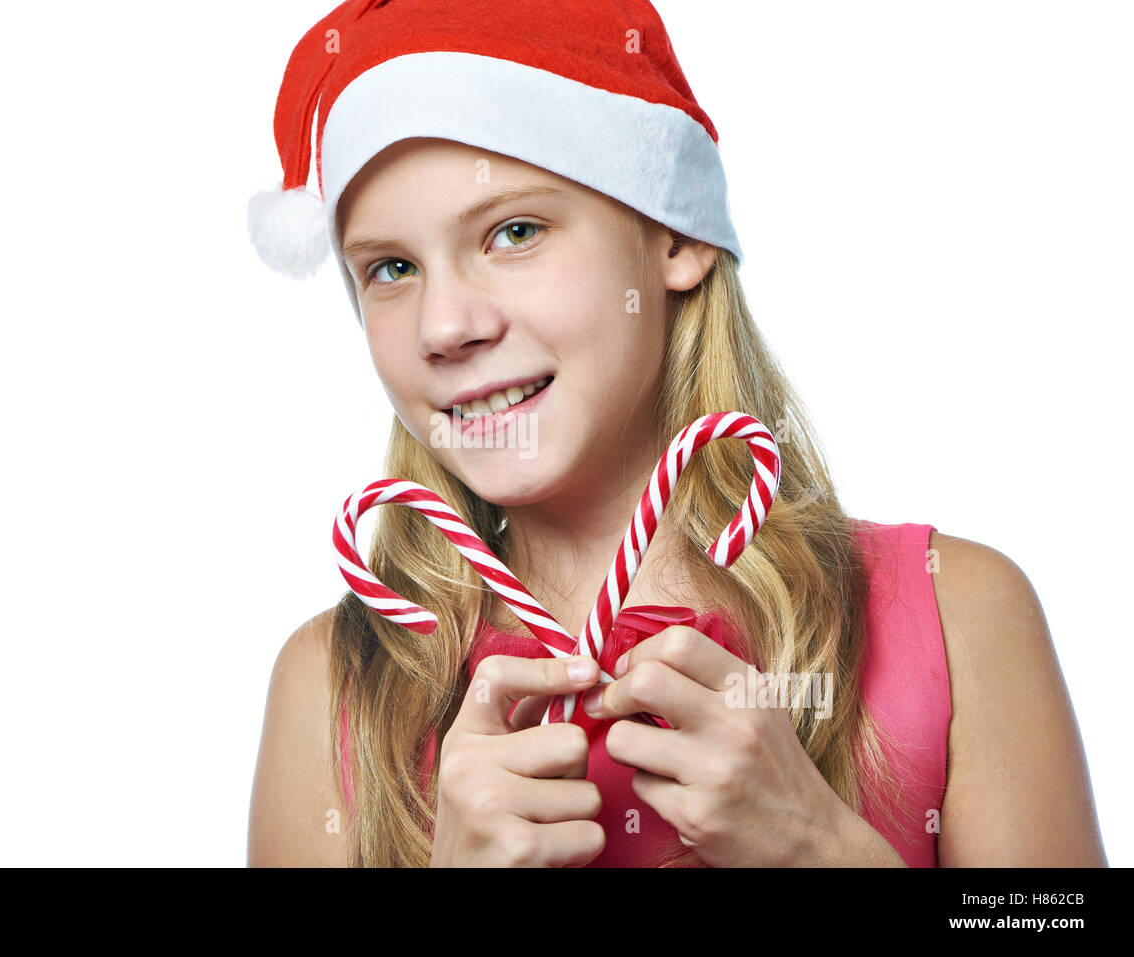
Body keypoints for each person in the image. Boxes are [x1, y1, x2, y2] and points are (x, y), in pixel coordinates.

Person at [244, 0, 1105, 867]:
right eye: (390, 268)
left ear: (676, 236)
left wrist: (820, 849)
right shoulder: (334, 693)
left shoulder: (956, 614)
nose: (444, 324)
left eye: (514, 232)